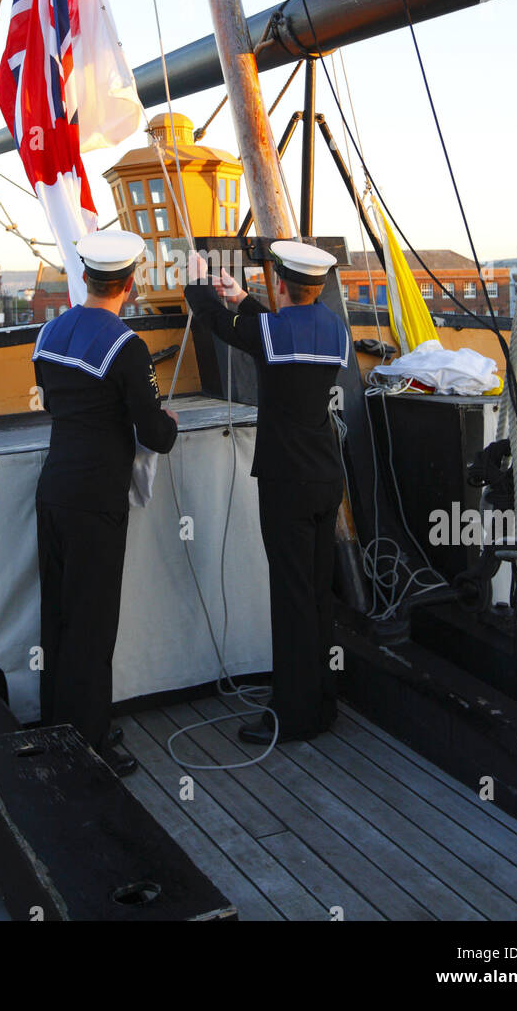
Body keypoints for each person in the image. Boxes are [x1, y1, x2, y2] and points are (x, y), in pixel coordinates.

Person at [184, 240, 349, 745]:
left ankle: (292, 715)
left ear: (280, 283)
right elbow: (270, 331)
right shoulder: (335, 329)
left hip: (287, 482)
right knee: (318, 594)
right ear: (317, 286)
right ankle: (321, 702)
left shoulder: (270, 331)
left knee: (291, 597)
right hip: (326, 477)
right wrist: (240, 296)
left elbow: (218, 325)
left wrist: (196, 282)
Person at [33, 230, 178, 776]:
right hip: (96, 501)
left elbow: (52, 401)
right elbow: (155, 434)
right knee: (93, 626)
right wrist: (168, 423)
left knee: (59, 617)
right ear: (132, 282)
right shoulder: (127, 346)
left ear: (87, 277)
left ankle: (56, 726)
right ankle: (88, 743)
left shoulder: (49, 333)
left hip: (53, 492)